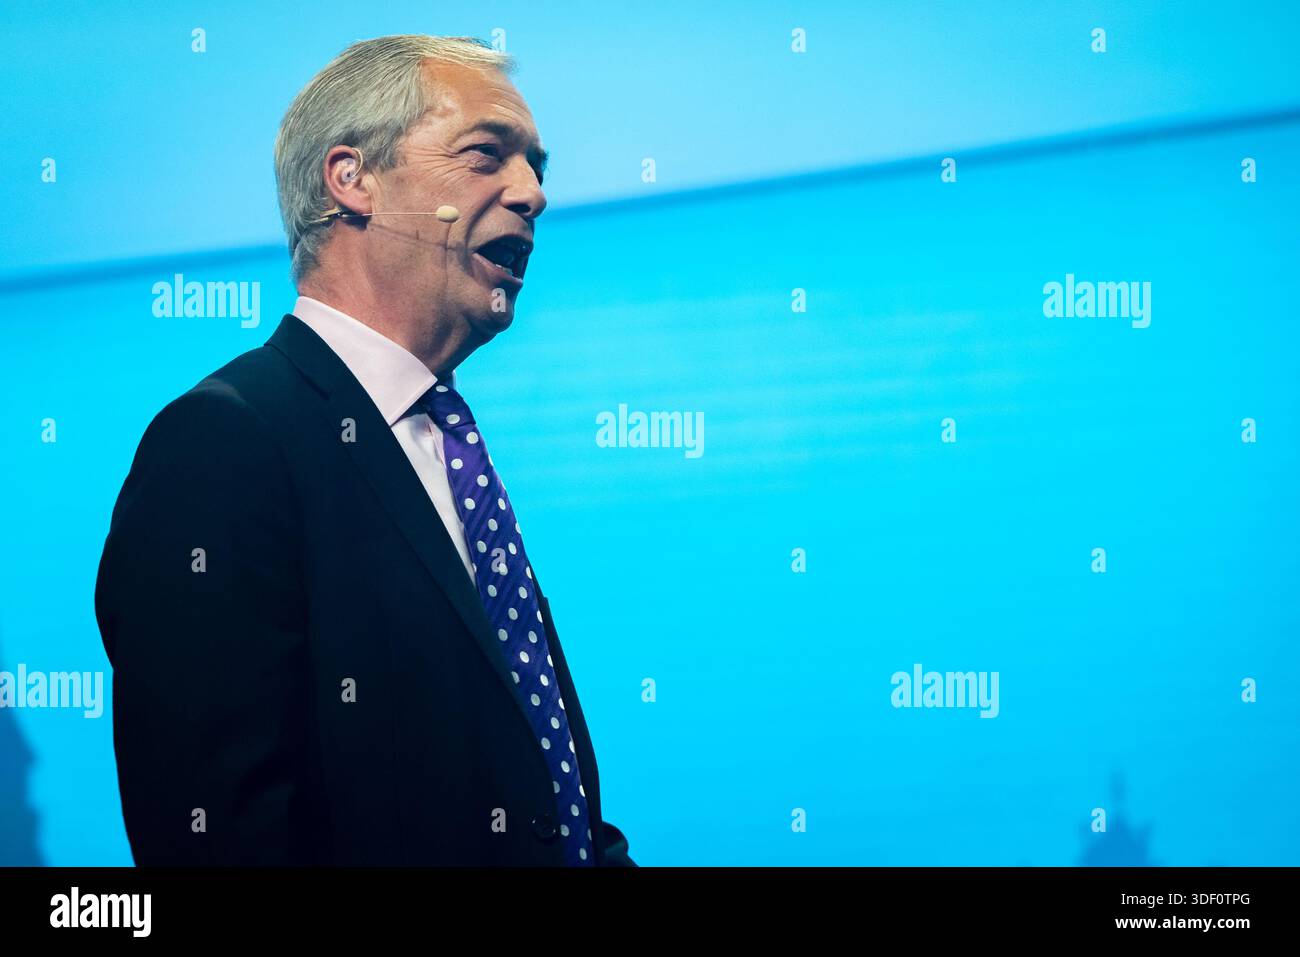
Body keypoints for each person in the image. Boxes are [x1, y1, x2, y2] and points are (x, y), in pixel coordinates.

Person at [94, 34, 634, 866]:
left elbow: (533, 786)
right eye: (487, 154)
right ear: (352, 180)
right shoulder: (225, 442)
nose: (532, 194)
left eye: (537, 167)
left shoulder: (444, 442)